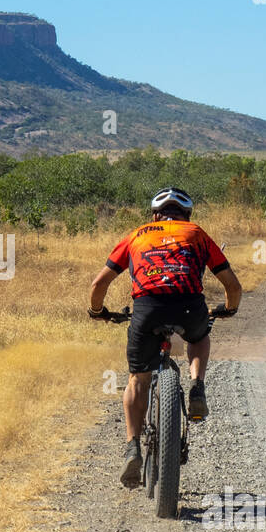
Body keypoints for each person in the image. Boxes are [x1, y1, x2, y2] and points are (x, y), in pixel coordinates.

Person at [87, 187, 242, 488]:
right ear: (186, 215)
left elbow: (98, 283)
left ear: (155, 214)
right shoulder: (196, 233)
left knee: (137, 379)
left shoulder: (137, 235)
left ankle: (132, 447)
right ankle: (197, 386)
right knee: (199, 336)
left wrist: (98, 312)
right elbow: (232, 285)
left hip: (147, 308)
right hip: (189, 304)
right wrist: (228, 309)